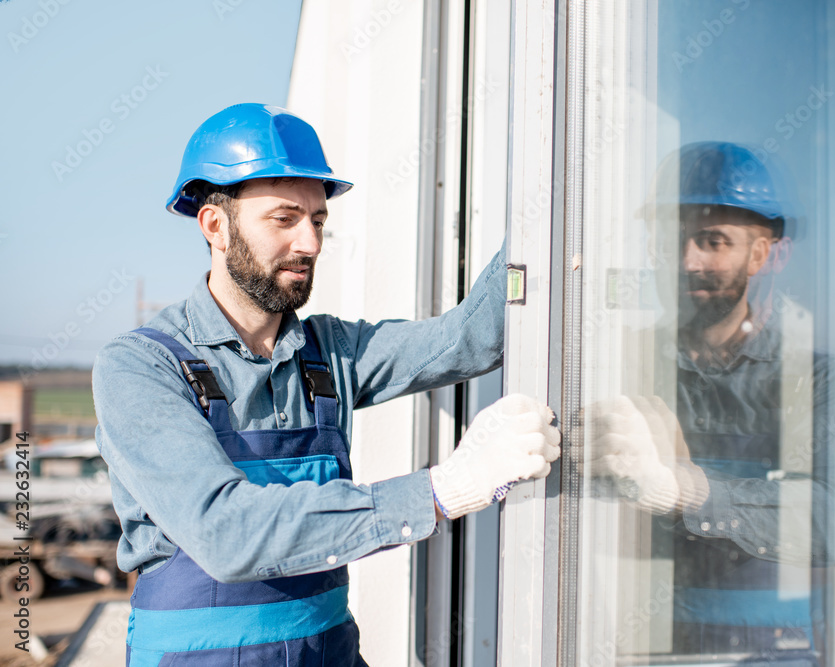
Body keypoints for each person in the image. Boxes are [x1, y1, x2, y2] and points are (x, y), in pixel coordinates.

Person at [92, 103, 560, 666]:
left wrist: (544, 210)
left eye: (317, 221)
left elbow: (470, 339)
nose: (311, 244)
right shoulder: (141, 367)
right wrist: (440, 491)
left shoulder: (330, 353)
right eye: (285, 218)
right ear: (215, 225)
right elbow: (226, 533)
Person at [592, 142, 829, 661]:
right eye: (670, 240)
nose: (686, 261)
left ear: (765, 254)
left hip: (776, 654)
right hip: (647, 647)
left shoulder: (811, 379)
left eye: (712, 241)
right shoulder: (621, 366)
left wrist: (689, 489)